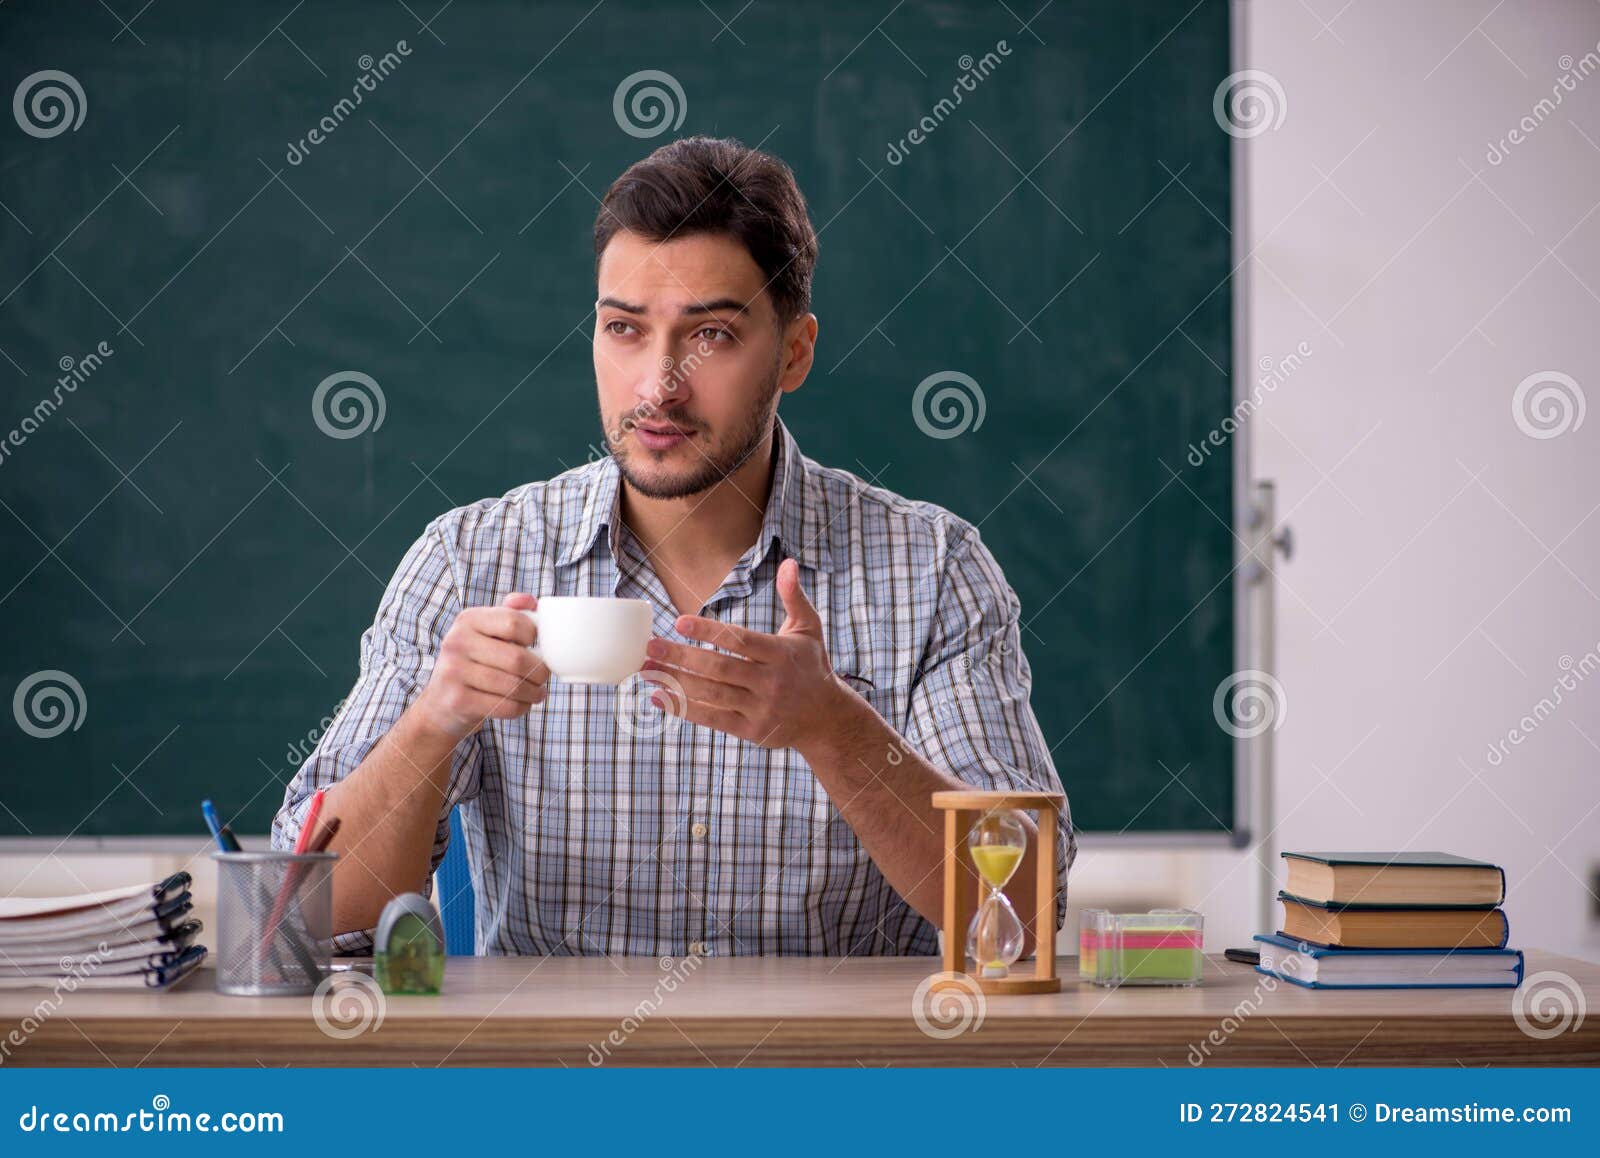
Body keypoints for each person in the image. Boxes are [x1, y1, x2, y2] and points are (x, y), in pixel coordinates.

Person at [271, 136, 1075, 957]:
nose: (657, 385)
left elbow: (1025, 913)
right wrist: (432, 725)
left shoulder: (933, 570)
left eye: (712, 337)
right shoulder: (467, 563)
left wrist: (835, 731)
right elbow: (306, 915)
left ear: (794, 351)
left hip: (832, 1078)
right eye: (624, 329)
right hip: (557, 1082)